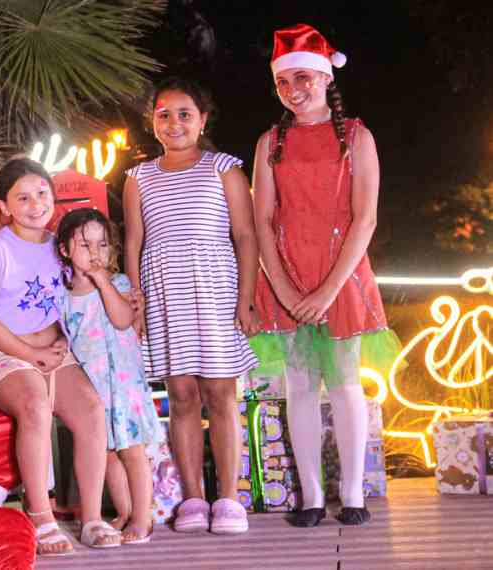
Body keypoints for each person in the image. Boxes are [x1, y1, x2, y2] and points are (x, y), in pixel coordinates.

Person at [250, 24, 401, 527]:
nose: (294, 89)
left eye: (303, 78)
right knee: (299, 385)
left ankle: (353, 493)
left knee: (344, 383)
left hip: (342, 275)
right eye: (283, 81)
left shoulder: (357, 137)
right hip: (287, 275)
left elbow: (365, 219)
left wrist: (328, 291)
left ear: (325, 78)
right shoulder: (270, 142)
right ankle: (311, 497)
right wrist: (284, 288)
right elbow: (262, 221)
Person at [123, 77, 260, 535]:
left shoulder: (224, 168)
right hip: (165, 294)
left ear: (202, 120)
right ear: (153, 122)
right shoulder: (138, 177)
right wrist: (136, 301)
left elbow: (245, 236)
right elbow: (134, 243)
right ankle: (194, 499)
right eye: (164, 114)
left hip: (215, 291)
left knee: (220, 393)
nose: (174, 123)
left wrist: (246, 299)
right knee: (181, 396)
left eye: (184, 114)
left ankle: (229, 498)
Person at [0, 158, 115, 553]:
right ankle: (41, 516)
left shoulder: (61, 246)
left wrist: (61, 341)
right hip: (2, 352)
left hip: (53, 351)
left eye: (42, 193)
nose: (35, 204)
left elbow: (75, 299)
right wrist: (30, 353)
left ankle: (92, 517)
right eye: (23, 198)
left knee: (92, 408)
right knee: (34, 402)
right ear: (4, 206)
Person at [55, 208, 163, 545]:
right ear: (64, 250)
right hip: (93, 386)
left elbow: (121, 319)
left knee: (132, 450)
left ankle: (143, 516)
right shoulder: (62, 296)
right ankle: (124, 510)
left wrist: (103, 282)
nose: (95, 253)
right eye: (85, 245)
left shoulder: (118, 284)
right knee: (107, 453)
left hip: (124, 384)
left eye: (102, 244)